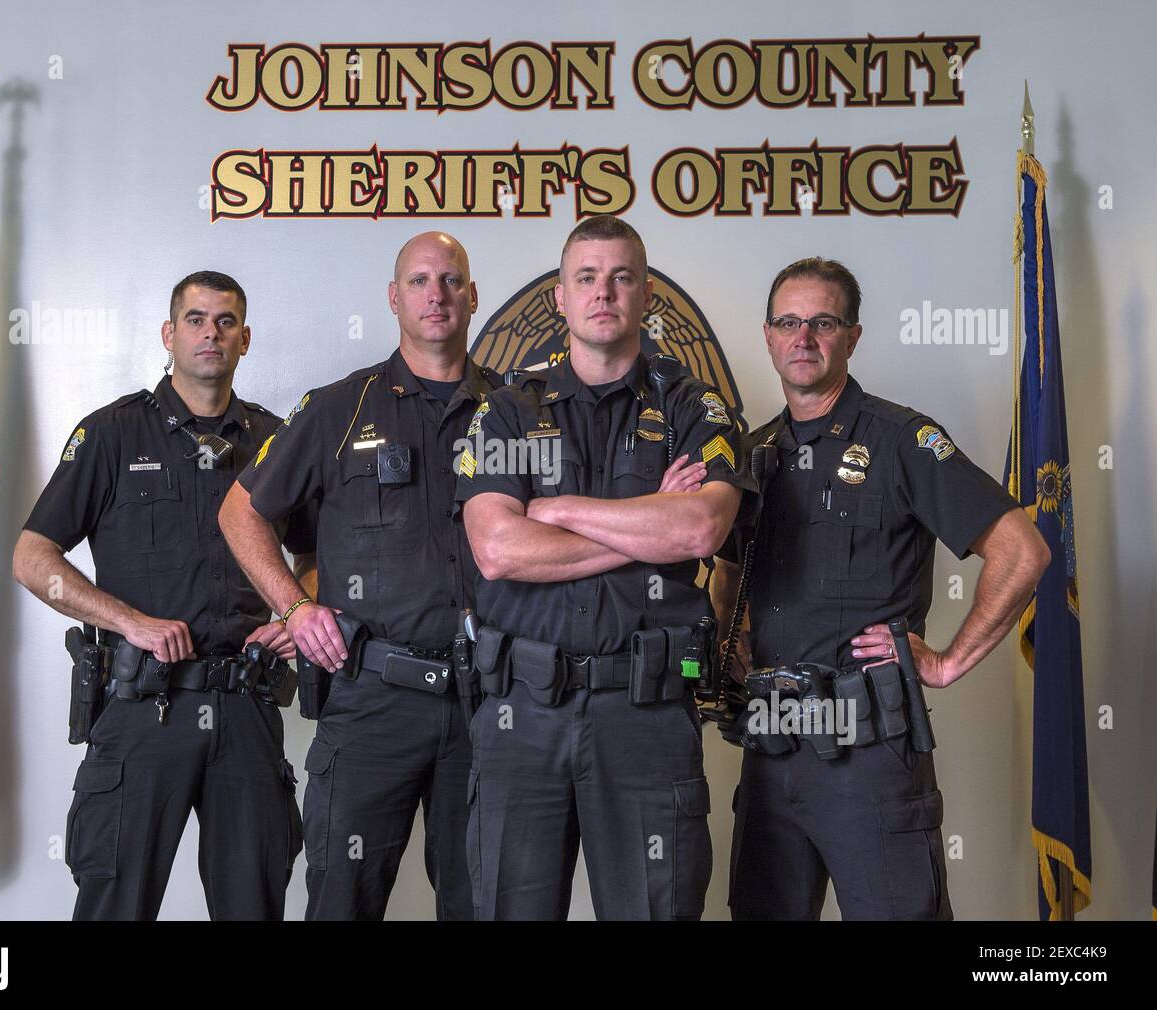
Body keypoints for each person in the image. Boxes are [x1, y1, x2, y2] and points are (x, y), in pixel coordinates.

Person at [723, 256, 1050, 920]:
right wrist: (732, 634)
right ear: (767, 335)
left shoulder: (900, 440)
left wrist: (951, 658)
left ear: (853, 335)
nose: (803, 338)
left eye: (823, 322)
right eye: (789, 322)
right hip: (769, 747)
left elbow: (1024, 549)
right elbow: (729, 565)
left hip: (867, 756)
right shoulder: (752, 455)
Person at [456, 215, 752, 920]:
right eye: (586, 277)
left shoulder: (693, 408)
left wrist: (557, 511)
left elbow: (704, 524)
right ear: (559, 296)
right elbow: (499, 550)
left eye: (622, 277)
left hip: (644, 714)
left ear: (646, 293)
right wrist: (651, 526)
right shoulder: (506, 414)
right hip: (520, 715)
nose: (604, 292)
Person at [13, 270, 314, 920]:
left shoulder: (273, 439)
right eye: (197, 319)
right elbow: (32, 558)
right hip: (146, 704)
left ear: (245, 339)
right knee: (115, 904)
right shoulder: (114, 434)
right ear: (169, 334)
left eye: (226, 321)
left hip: (246, 707)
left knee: (253, 903)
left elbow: (319, 557)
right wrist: (130, 621)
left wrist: (299, 608)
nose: (212, 332)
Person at [219, 232, 499, 921]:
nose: (436, 294)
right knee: (343, 902)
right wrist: (294, 608)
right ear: (394, 297)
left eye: (450, 280)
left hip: (492, 702)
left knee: (486, 902)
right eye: (420, 280)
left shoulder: (515, 410)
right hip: (374, 700)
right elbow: (241, 512)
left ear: (472, 296)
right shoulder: (339, 408)